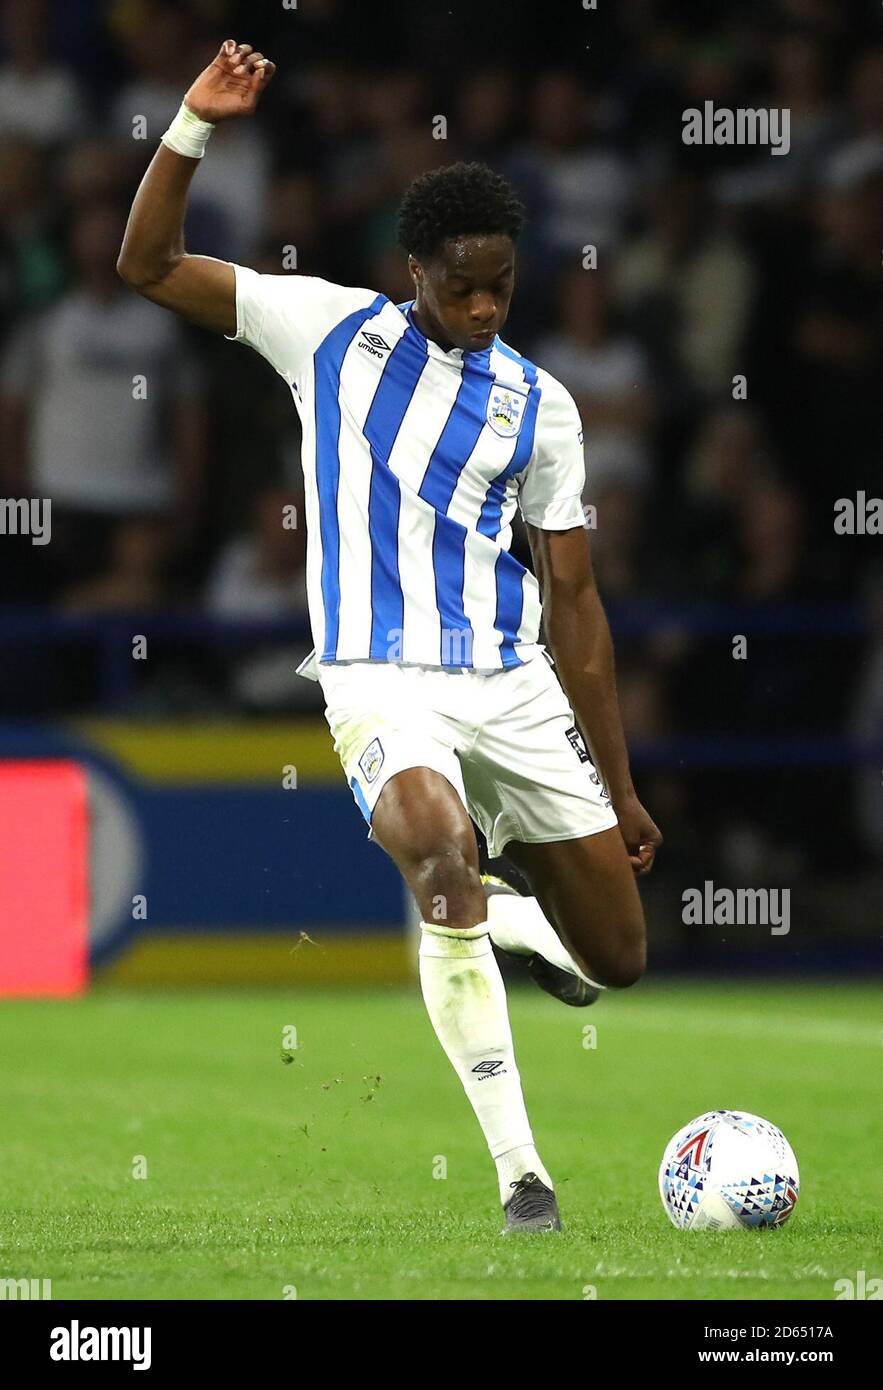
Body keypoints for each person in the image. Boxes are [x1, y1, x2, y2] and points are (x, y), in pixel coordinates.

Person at [117, 38, 662, 1235]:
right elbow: (145, 262)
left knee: (618, 955)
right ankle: (523, 1172)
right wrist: (192, 127)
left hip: (509, 683)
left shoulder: (541, 407)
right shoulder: (325, 330)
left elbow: (575, 605)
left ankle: (517, 917)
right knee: (433, 848)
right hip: (377, 677)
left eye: (499, 289)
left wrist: (617, 785)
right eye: (460, 286)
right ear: (413, 265)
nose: (480, 308)